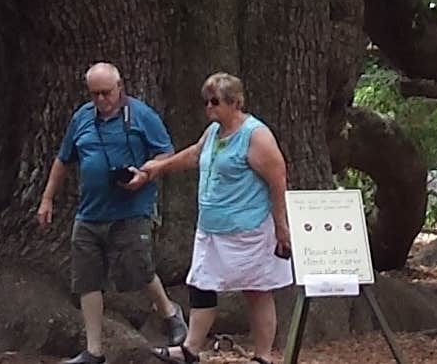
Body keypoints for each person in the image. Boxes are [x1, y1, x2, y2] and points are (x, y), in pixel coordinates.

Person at [37, 61, 186, 364]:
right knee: (87, 280)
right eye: (94, 94)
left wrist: (144, 175)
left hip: (132, 209)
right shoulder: (82, 118)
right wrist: (47, 198)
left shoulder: (141, 116)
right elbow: (63, 159)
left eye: (106, 93)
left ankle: (170, 313)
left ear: (120, 87)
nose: (101, 100)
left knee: (139, 267)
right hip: (89, 213)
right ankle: (94, 351)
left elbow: (167, 154)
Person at [141, 72, 293, 364]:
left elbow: (278, 179)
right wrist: (158, 168)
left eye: (215, 102)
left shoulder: (255, 135)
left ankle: (263, 356)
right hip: (212, 229)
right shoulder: (213, 131)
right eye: (206, 102)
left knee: (257, 290)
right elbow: (195, 155)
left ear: (234, 102)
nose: (209, 108)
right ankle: (190, 349)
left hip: (248, 229)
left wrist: (280, 225)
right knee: (201, 283)